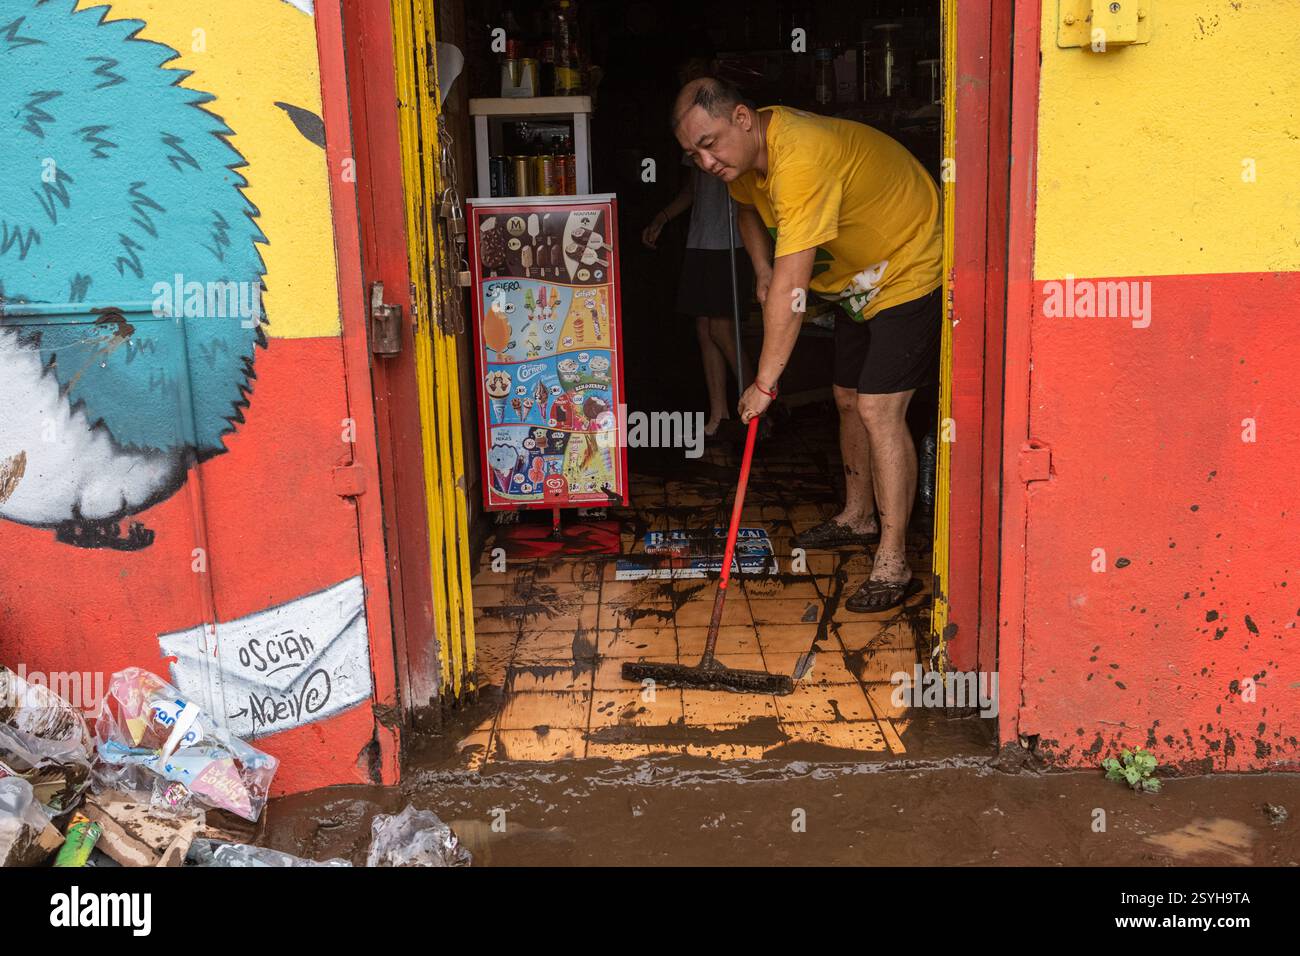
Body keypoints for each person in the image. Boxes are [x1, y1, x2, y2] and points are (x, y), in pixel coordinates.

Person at [671, 77, 942, 612]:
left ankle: (893, 561)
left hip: (908, 266)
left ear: (744, 118)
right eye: (691, 154)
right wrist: (760, 268)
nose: (705, 162)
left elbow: (794, 292)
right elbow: (746, 210)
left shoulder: (801, 157)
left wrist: (765, 384)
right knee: (845, 398)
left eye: (710, 144)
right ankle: (858, 516)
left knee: (878, 410)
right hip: (856, 282)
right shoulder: (746, 163)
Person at [643, 63, 754, 437]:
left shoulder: (729, 130)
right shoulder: (691, 139)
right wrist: (662, 217)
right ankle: (719, 412)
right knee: (704, 328)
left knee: (722, 328)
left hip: (731, 239)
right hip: (701, 239)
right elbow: (692, 191)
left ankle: (762, 399)